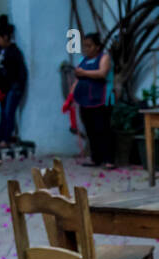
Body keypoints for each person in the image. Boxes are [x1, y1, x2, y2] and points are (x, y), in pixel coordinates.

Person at [72, 32, 115, 168]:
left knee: (103, 128)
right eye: (85, 46)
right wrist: (71, 95)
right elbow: (77, 78)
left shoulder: (104, 58)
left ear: (97, 47)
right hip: (85, 99)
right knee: (90, 129)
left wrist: (84, 73)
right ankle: (95, 158)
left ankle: (109, 159)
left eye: (89, 46)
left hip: (102, 98)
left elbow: (102, 73)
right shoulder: (83, 60)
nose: (86, 49)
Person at [0, 16, 27, 149]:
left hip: (13, 87)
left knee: (8, 112)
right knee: (2, 113)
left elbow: (16, 73)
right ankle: (0, 137)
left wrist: (13, 87)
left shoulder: (14, 52)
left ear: (5, 37)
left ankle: (6, 139)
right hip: (3, 88)